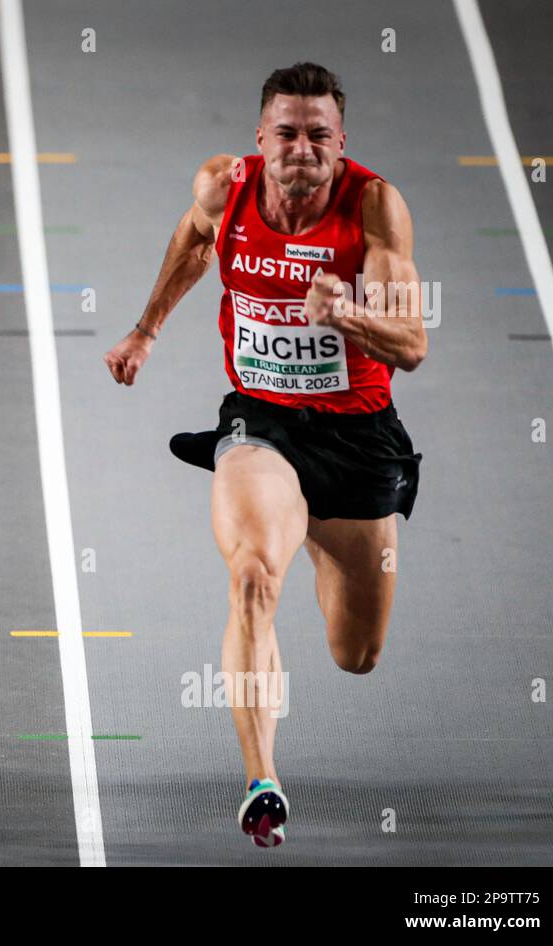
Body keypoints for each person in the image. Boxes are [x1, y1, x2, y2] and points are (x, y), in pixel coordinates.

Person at [104, 62, 427, 848]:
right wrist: (146, 330)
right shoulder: (226, 187)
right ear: (261, 138)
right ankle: (262, 780)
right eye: (287, 133)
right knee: (252, 577)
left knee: (357, 654)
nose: (302, 148)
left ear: (341, 143)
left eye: (319, 135)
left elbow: (412, 344)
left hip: (357, 437)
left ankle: (310, 526)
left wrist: (347, 315)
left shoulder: (374, 207)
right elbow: (193, 241)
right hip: (263, 421)